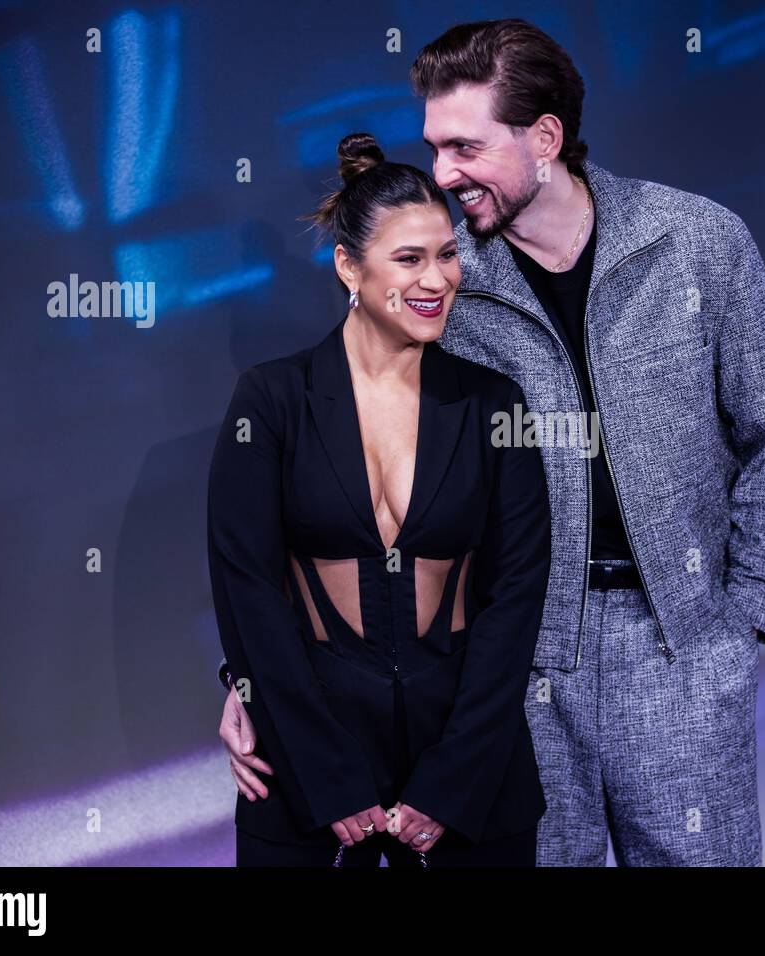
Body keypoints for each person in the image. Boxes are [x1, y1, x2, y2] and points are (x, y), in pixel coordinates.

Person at [219, 18, 765, 866]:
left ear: (545, 138)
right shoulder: (439, 274)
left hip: (677, 645)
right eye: (435, 148)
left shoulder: (697, 243)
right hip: (513, 667)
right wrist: (244, 682)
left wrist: (743, 619)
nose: (443, 174)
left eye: (464, 147)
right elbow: (327, 478)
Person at [208, 131, 550, 867]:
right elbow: (249, 591)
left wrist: (452, 783)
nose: (439, 279)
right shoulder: (270, 400)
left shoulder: (495, 403)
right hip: (306, 760)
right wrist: (322, 773)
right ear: (348, 268)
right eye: (409, 258)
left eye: (448, 253)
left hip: (470, 756)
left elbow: (517, 596)